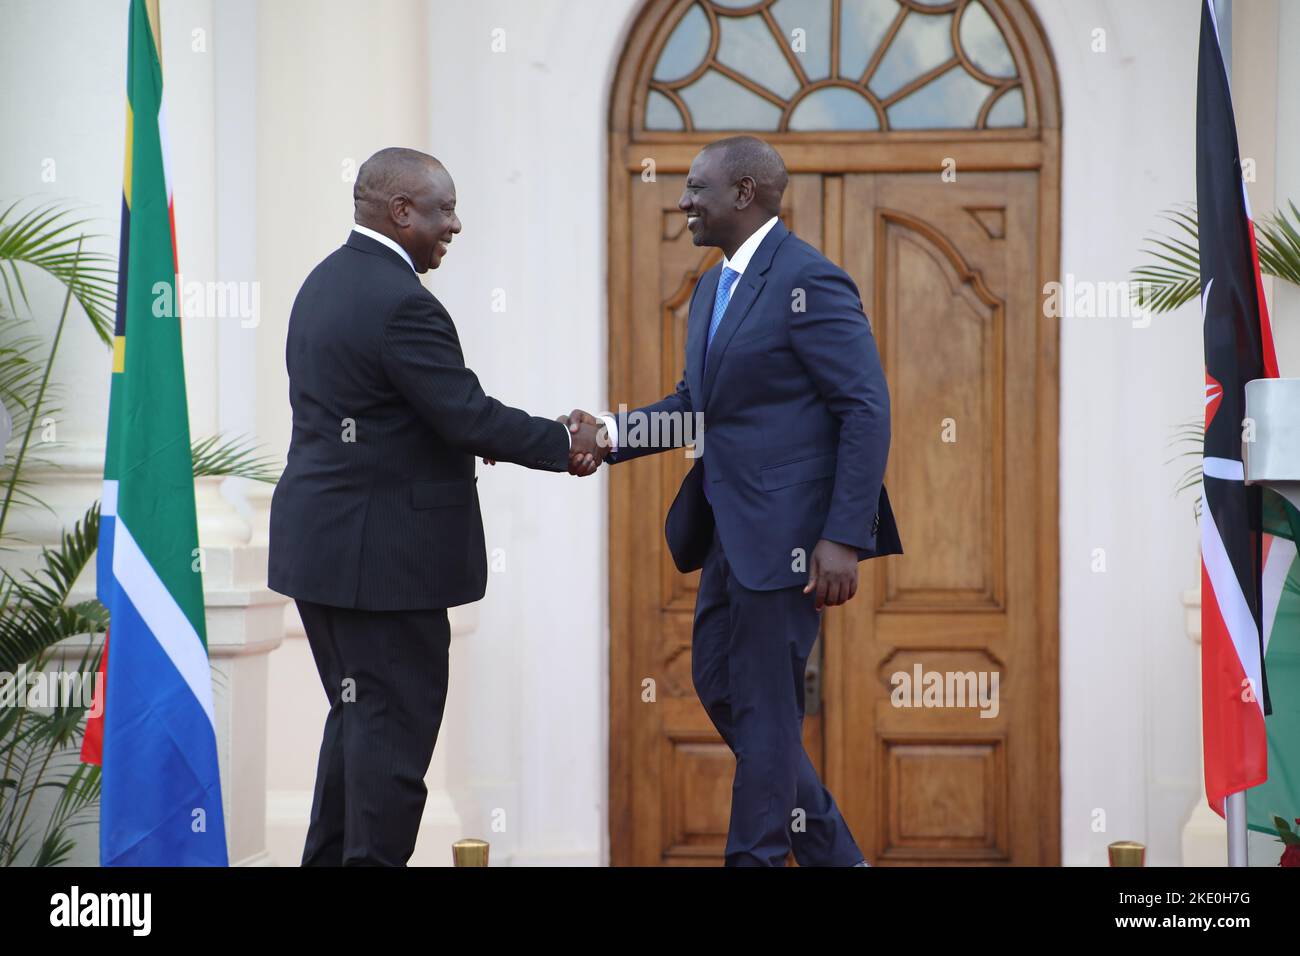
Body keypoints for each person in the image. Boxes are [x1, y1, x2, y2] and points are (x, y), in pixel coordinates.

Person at [569, 135, 902, 866]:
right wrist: (611, 432)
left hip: (791, 541)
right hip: (730, 532)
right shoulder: (713, 287)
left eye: (696, 189)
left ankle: (753, 858)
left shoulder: (811, 280)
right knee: (723, 685)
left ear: (744, 194)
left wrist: (843, 535)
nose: (683, 201)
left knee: (763, 706)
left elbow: (865, 409)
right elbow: (698, 406)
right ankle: (837, 859)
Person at [268, 146, 603, 866]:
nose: (455, 224)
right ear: (401, 212)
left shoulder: (324, 282)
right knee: (389, 757)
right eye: (443, 209)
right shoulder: (402, 303)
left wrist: (451, 436)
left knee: (358, 732)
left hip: (325, 554)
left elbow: (382, 413)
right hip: (384, 568)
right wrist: (566, 440)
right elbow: (465, 415)